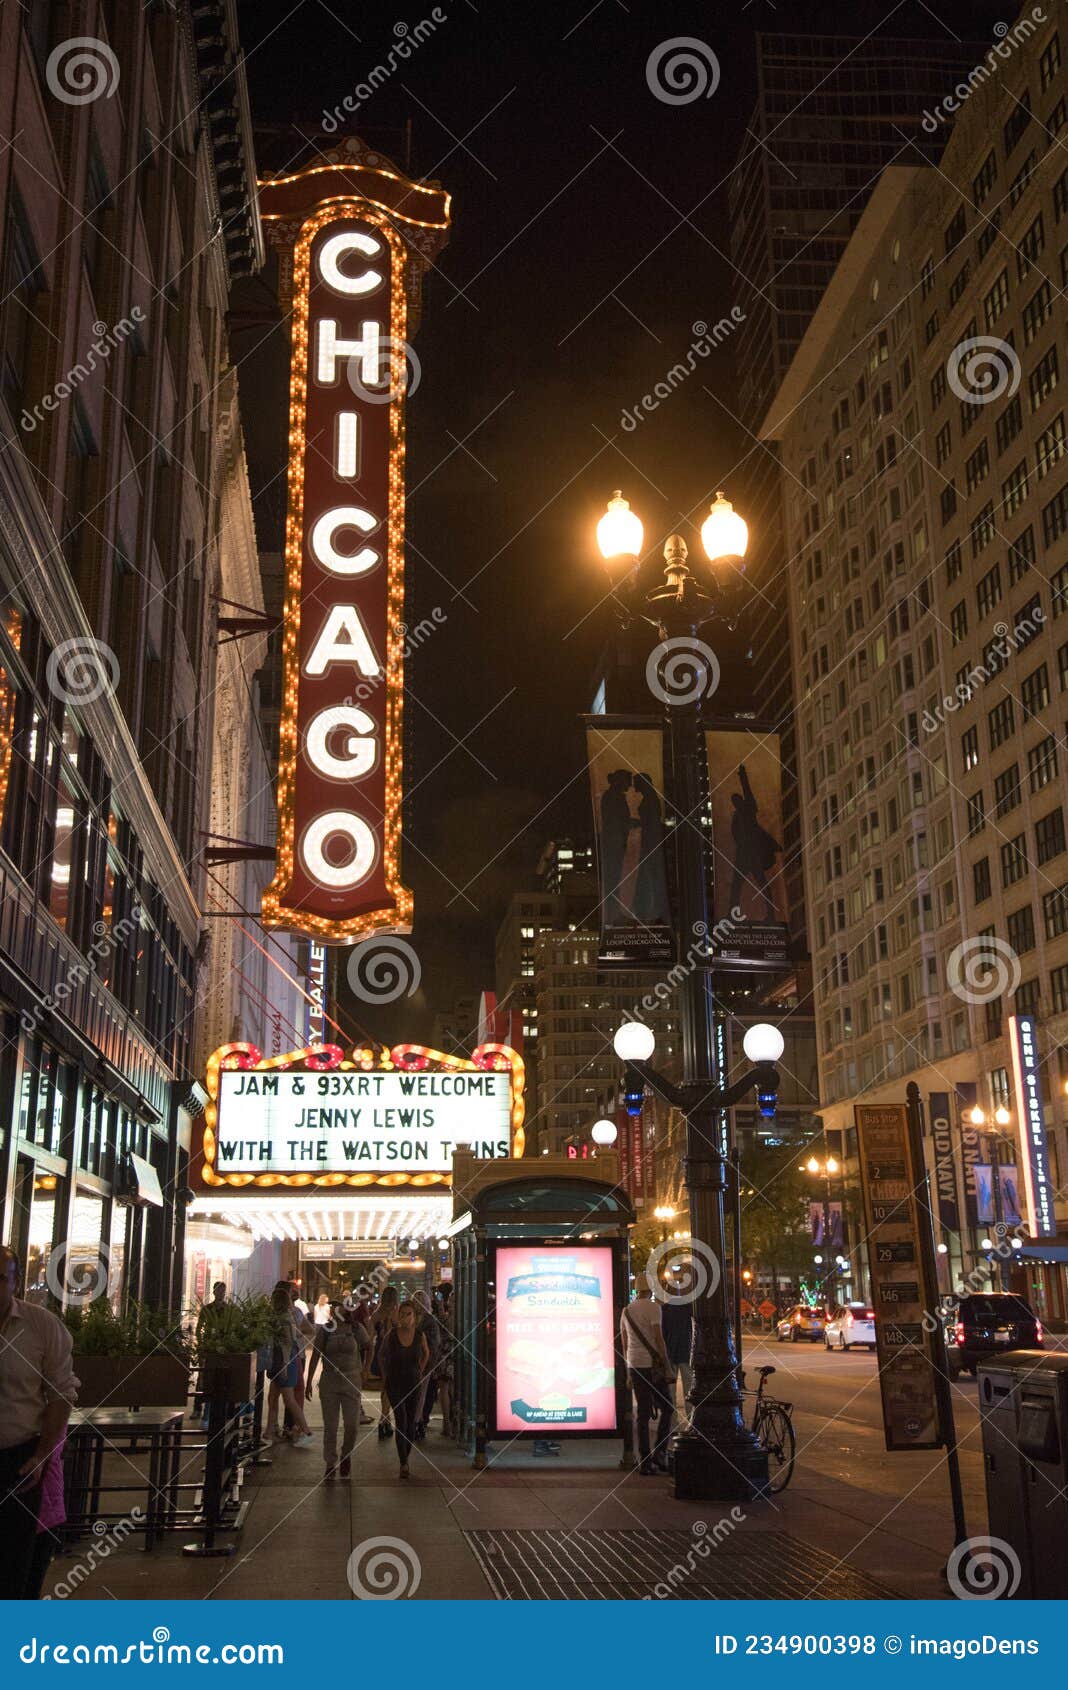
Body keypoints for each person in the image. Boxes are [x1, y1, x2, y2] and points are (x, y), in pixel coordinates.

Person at [0, 1245, 79, 1597]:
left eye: (0, 1278)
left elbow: (61, 1395)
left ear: (15, 1283)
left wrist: (41, 1456)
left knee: (15, 1565)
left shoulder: (41, 1327)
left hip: (17, 1460)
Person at [306, 1304, 373, 1481]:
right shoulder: (326, 1331)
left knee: (352, 1424)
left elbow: (368, 1346)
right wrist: (309, 1381)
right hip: (330, 1381)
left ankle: (346, 1454)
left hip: (351, 1381)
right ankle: (330, 1463)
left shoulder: (356, 1328)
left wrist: (366, 1369)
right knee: (331, 1426)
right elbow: (315, 1355)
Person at [620, 1273, 672, 1475]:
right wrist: (666, 1366)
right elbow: (659, 1340)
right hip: (652, 1366)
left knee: (642, 1413)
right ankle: (660, 1452)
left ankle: (645, 1460)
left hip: (634, 1365)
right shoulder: (654, 1308)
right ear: (651, 1290)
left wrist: (627, 1374)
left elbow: (624, 1344)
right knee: (667, 1408)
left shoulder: (627, 1311)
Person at [379, 1302, 429, 1478]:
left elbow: (426, 1353)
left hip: (413, 1383)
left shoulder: (419, 1336)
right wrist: (385, 1376)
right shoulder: (391, 1336)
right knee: (401, 1420)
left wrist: (420, 1371)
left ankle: (405, 1455)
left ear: (415, 1317)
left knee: (410, 1423)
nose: (406, 1317)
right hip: (395, 1383)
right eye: (403, 1314)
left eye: (409, 1314)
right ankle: (403, 1463)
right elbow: (382, 1355)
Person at [266, 1281, 316, 1447]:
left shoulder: (286, 1319)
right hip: (283, 1361)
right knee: (273, 1397)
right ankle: (269, 1431)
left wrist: (285, 1366)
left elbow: (287, 1344)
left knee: (289, 1399)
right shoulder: (283, 1317)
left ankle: (306, 1431)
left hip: (285, 1362)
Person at [410, 1289, 440, 1439]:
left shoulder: (420, 1320)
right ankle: (418, 1422)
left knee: (417, 1394)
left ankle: (416, 1422)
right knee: (418, 1394)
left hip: (417, 1362)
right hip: (418, 1362)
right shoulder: (425, 1319)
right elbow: (434, 1345)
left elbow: (433, 1345)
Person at [660, 1297, 693, 1432]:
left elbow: (661, 1334)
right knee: (689, 1389)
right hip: (685, 1353)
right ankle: (691, 1419)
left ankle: (672, 1421)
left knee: (671, 1391)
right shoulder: (688, 1308)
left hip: (670, 1354)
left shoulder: (665, 1310)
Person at [372, 1285, 399, 1439]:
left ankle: (385, 1420)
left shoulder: (376, 1314)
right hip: (392, 1353)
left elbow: (370, 1335)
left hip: (378, 1353)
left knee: (385, 1387)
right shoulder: (396, 1314)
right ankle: (384, 1420)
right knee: (389, 1389)